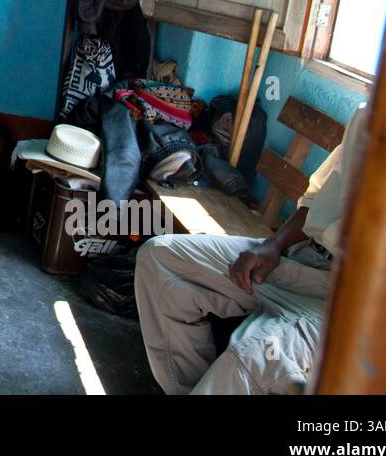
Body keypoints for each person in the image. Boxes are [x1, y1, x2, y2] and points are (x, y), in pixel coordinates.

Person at [134, 101, 369, 394]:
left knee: (250, 361)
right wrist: (272, 246)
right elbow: (318, 197)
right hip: (301, 257)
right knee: (160, 258)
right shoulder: (369, 113)